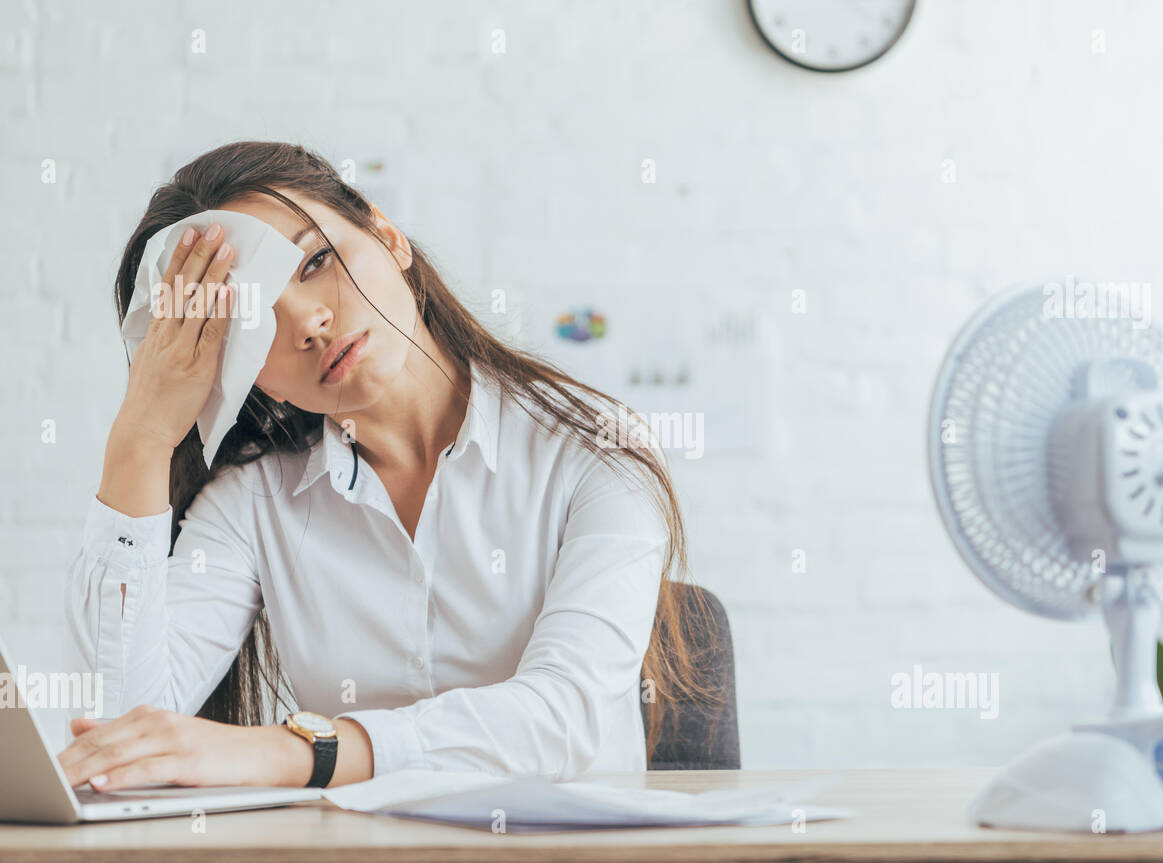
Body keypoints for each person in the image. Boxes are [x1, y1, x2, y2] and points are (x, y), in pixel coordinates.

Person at [59, 141, 719, 791]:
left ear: (388, 236)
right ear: (248, 377)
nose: (310, 321)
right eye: (254, 321)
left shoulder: (594, 450)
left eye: (316, 260)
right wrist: (141, 439)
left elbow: (562, 720)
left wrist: (302, 753)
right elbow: (117, 742)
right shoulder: (251, 505)